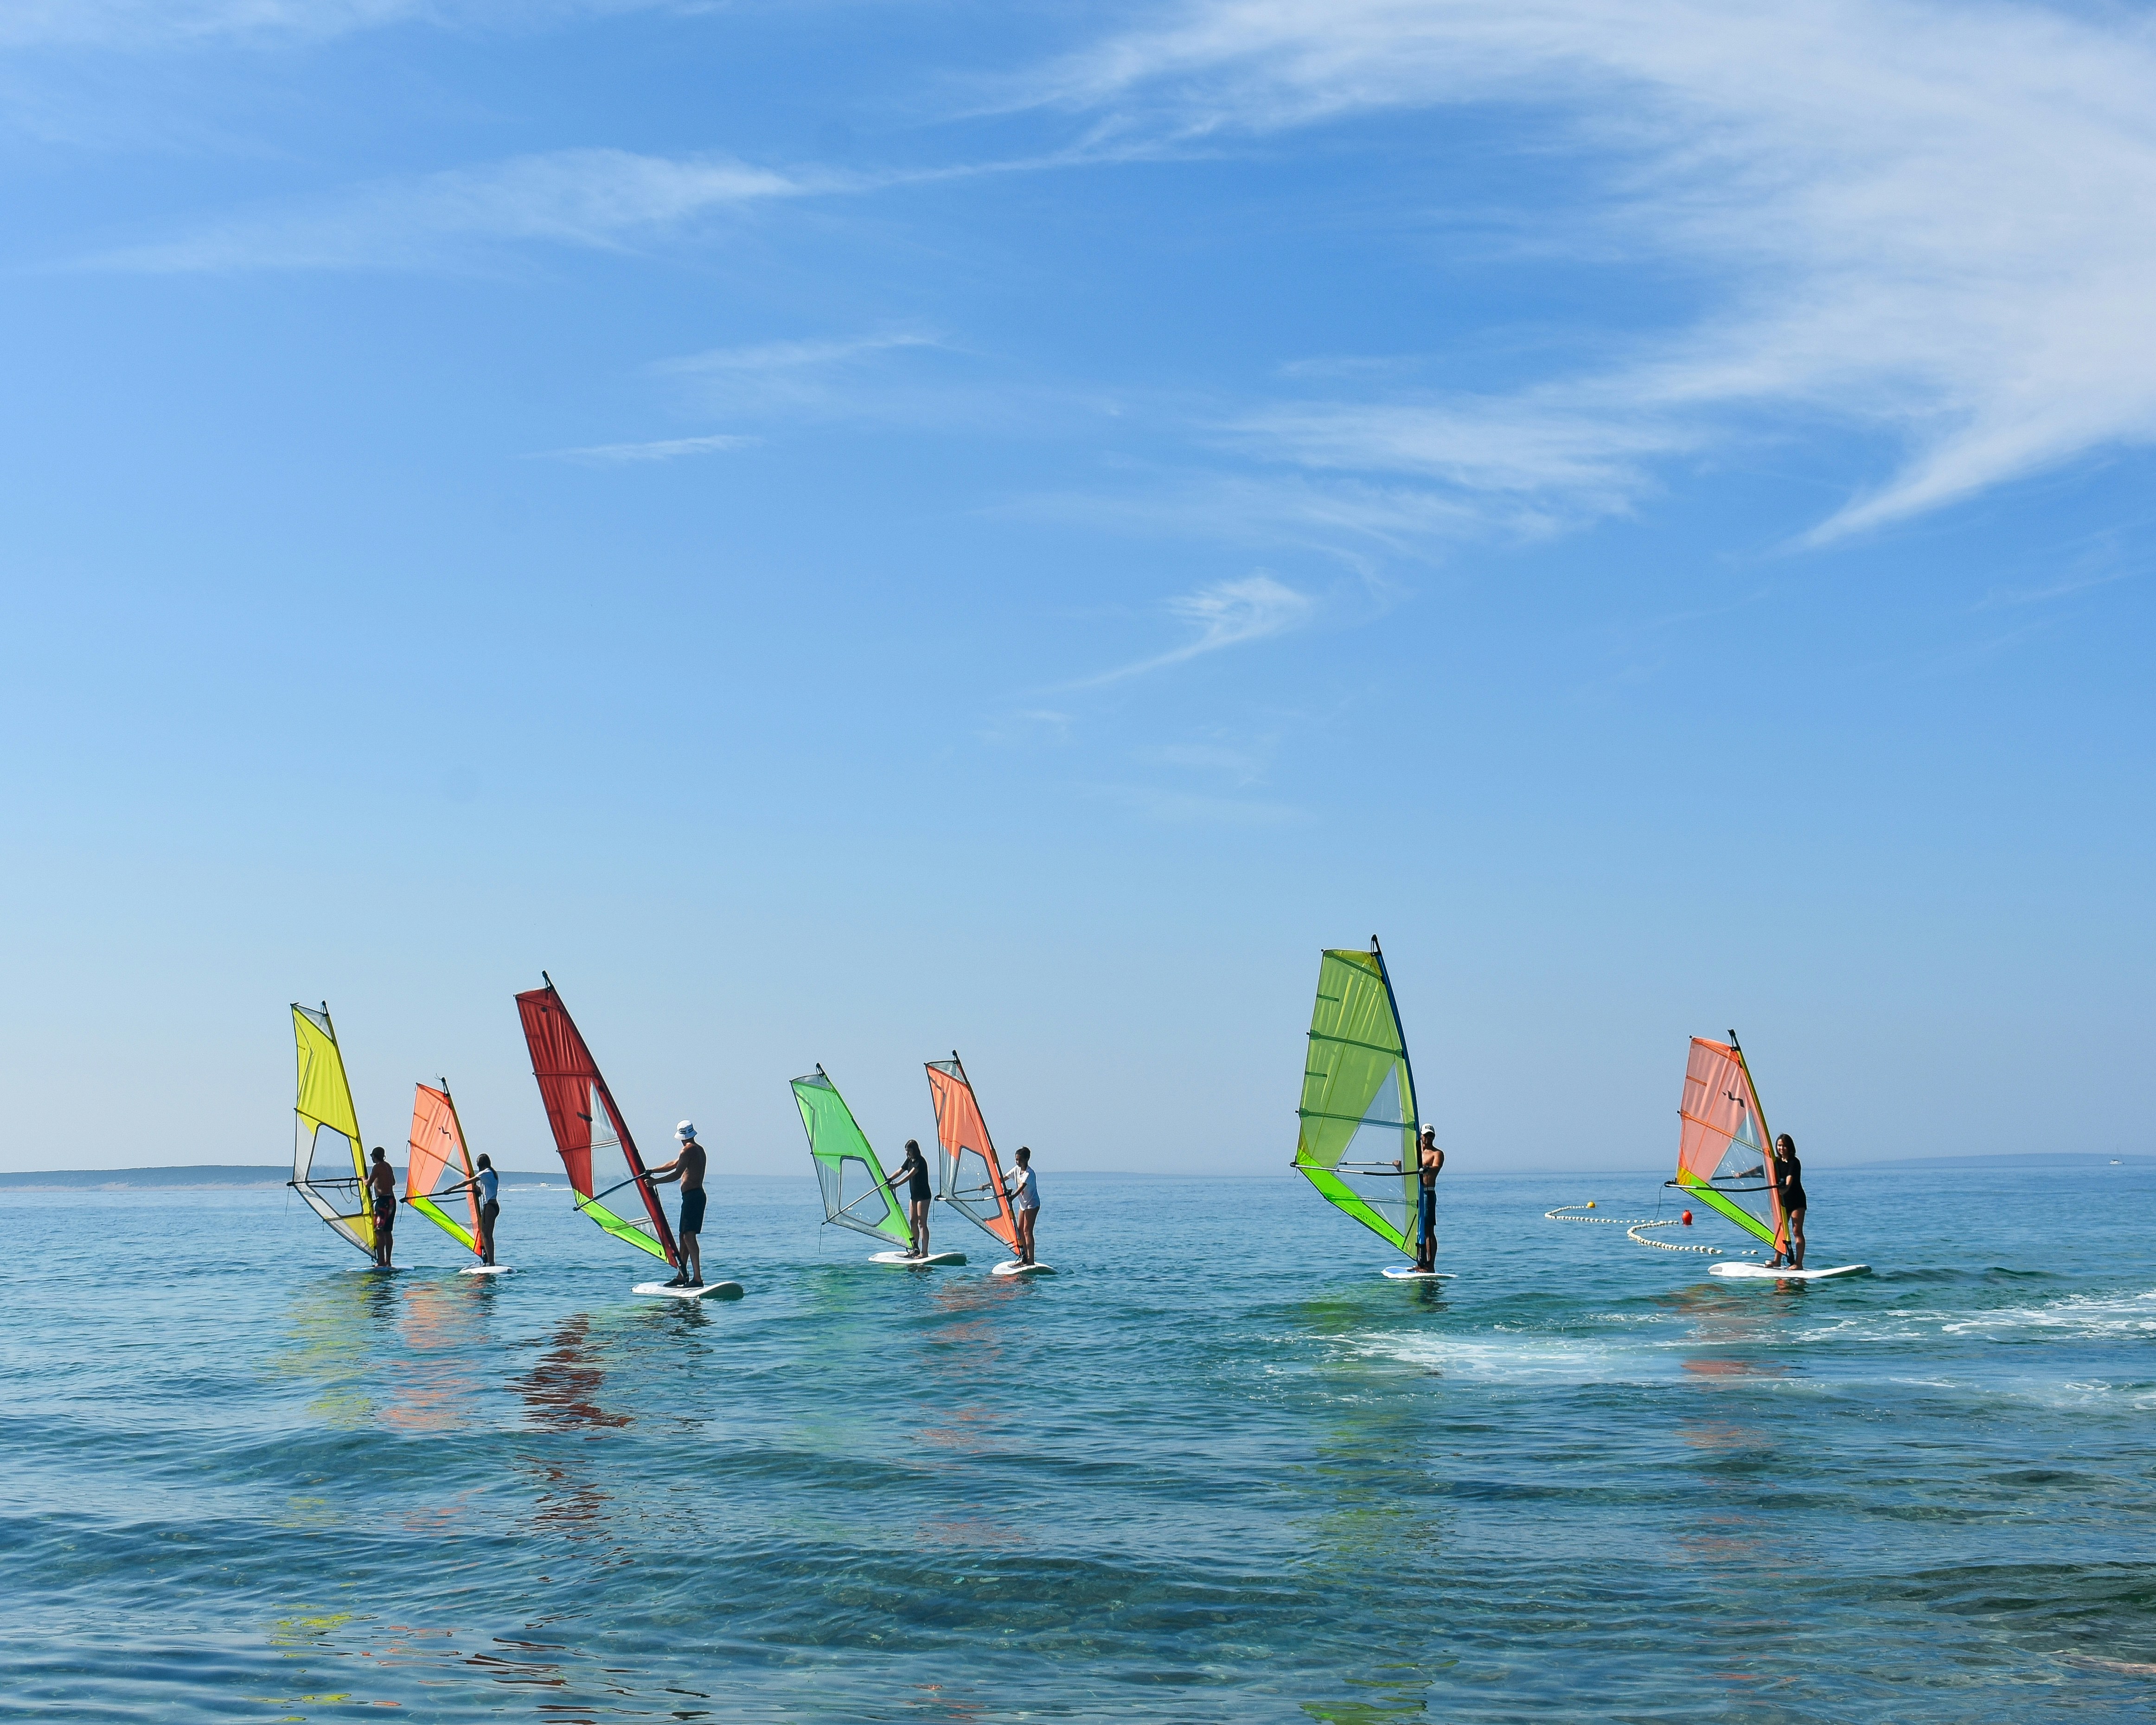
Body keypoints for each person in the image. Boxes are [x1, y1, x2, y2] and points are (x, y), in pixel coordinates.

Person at [646, 1122, 709, 1287]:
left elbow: (677, 1174)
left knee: (689, 1236)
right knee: (683, 1237)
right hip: (693, 1197)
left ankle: (698, 1279)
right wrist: (652, 1171)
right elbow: (674, 1164)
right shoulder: (698, 1150)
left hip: (693, 1197)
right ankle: (682, 1276)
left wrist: (655, 1182)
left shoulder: (687, 1150)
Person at [1766, 1133, 1807, 1270]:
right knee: (1781, 1231)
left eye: (1784, 1146)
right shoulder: (1777, 1163)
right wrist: (1743, 1175)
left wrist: (1783, 1190)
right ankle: (1777, 1261)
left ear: (1789, 1147)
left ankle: (1799, 1263)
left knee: (1797, 1231)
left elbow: (1789, 1180)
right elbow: (1762, 1170)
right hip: (1783, 1201)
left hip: (1796, 1200)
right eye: (1779, 1145)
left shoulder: (1794, 1162)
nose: (1781, 1148)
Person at [1406, 1125, 1444, 1271]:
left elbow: (1435, 1168)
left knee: (1428, 1230)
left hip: (1428, 1194)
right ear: (1421, 1136)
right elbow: (1407, 1169)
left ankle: (1431, 1265)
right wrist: (1399, 1165)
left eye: (1431, 1136)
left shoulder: (1437, 1153)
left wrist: (1427, 1169)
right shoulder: (1415, 1153)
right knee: (1419, 1229)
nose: (1428, 1138)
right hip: (1416, 1194)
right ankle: (1421, 1263)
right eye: (1426, 1135)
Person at [889, 1138, 933, 1259]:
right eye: (906, 1151)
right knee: (913, 1222)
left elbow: (909, 1175)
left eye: (909, 1151)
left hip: (924, 1196)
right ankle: (915, 1249)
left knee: (921, 1223)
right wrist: (889, 1180)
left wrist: (896, 1185)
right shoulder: (909, 1160)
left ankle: (925, 1252)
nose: (907, 1153)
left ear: (915, 1150)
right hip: (914, 1196)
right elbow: (900, 1171)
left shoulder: (920, 1161)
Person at [1005, 1145, 1040, 1266]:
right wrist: (989, 1185)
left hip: (1032, 1204)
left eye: (1020, 1160)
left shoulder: (1030, 1174)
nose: (1018, 1162)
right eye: (1016, 1160)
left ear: (1026, 1159)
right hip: (1023, 1204)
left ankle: (1031, 1261)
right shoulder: (1016, 1170)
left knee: (1027, 1231)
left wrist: (1012, 1198)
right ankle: (1024, 1258)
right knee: (1020, 1230)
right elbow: (1003, 1178)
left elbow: (1021, 1188)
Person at [366, 1146, 398, 1267]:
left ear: (375, 1156)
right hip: (392, 1201)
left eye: (372, 1156)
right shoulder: (388, 1166)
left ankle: (381, 1262)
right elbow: (393, 1182)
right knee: (388, 1232)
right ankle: (388, 1262)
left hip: (383, 1202)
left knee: (379, 1232)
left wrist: (363, 1179)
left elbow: (368, 1184)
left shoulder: (377, 1167)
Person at [473, 1153, 500, 1266]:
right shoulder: (492, 1173)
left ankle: (491, 1262)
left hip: (489, 1207)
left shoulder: (486, 1172)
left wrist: (451, 1189)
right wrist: (478, 1190)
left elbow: (468, 1182)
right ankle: (491, 1260)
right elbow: (486, 1191)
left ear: (481, 1165)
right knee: (489, 1235)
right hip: (494, 1206)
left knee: (485, 1234)